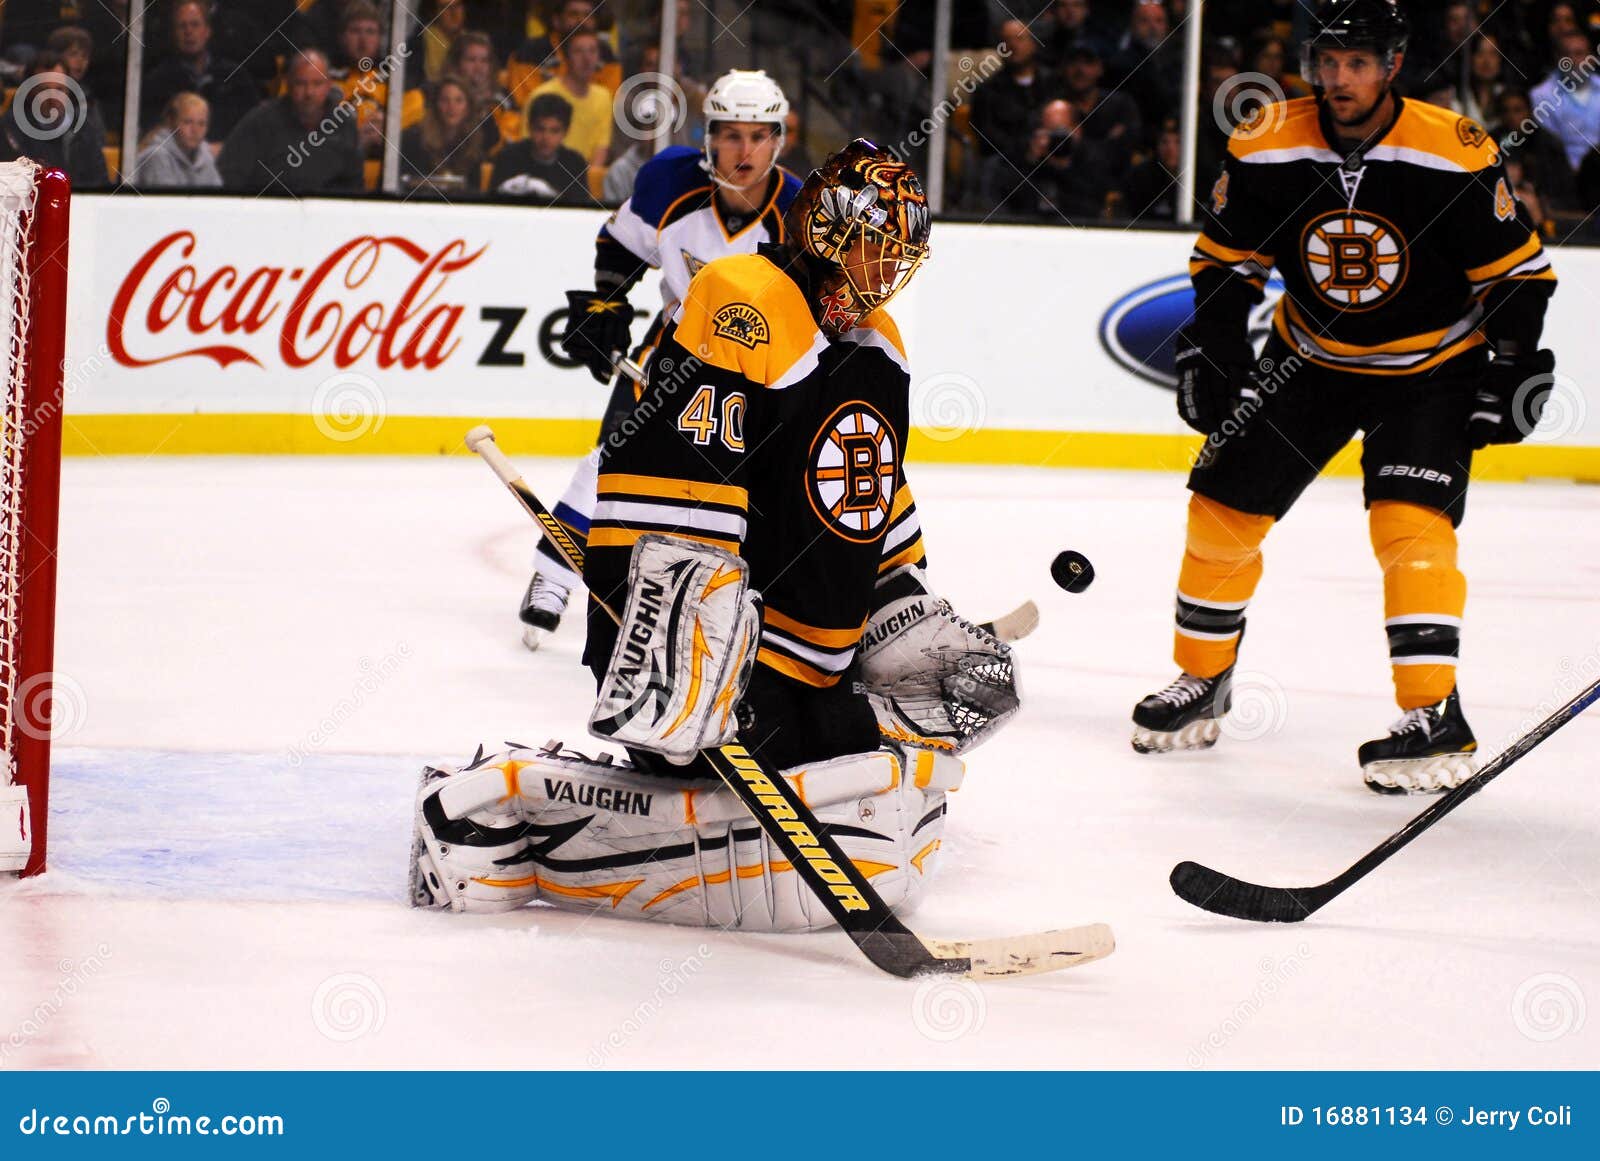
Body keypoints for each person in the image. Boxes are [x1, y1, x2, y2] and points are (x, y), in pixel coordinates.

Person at [410, 140, 1018, 934]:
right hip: (695, 648)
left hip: (809, 669)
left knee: (857, 745)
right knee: (755, 760)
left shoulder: (880, 346)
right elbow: (677, 482)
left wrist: (907, 609)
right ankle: (522, 806)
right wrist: (686, 651)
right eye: (870, 251)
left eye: (896, 257)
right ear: (822, 232)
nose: (880, 275)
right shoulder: (747, 301)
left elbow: (872, 494)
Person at [1131, 0, 1558, 795]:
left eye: (1356, 62)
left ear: (1393, 63)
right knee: (1221, 510)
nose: (1337, 79)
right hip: (1309, 361)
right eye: (1326, 61)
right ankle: (1203, 678)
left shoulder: (1453, 148)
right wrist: (1216, 344)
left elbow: (1517, 277)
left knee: (1408, 527)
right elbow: (1226, 259)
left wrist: (1510, 363)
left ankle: (1434, 712)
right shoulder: (1266, 139)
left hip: (1433, 369)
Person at [517, 70, 802, 647]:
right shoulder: (667, 184)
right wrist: (605, 305)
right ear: (708, 137)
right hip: (670, 353)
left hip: (755, 372)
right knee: (612, 461)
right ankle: (552, 573)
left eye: (758, 136)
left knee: (756, 492)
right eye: (730, 134)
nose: (744, 151)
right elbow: (620, 247)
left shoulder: (797, 212)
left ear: (778, 140)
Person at [217, 49, 364, 194]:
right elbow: (230, 176)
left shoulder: (344, 124)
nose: (309, 93)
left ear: (329, 85)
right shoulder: (260, 121)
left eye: (317, 83)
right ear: (288, 84)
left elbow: (354, 184)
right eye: (301, 84)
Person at [140, 0, 261, 143]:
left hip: (227, 159)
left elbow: (253, 131)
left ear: (207, 31)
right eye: (182, 26)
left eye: (195, 25)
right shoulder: (157, 81)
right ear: (173, 33)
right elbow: (151, 133)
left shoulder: (236, 78)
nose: (188, 32)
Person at [0, 53, 111, 189]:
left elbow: (101, 184)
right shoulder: (9, 130)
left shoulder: (85, 129)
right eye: (44, 90)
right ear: (29, 93)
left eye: (60, 89)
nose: (53, 98)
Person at [528, 28, 613, 166]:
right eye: (578, 51)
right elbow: (529, 147)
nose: (587, 59)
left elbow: (601, 148)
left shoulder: (604, 96)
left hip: (584, 180)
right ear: (565, 57)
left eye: (592, 51)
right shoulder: (541, 95)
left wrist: (585, 182)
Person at [487, 92, 591, 201]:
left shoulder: (575, 164)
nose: (546, 137)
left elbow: (580, 211)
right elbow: (493, 205)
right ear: (529, 128)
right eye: (540, 129)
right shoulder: (508, 158)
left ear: (566, 132)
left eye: (554, 131)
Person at [401, 75, 494, 194]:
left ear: (468, 107)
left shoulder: (474, 141)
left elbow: (474, 190)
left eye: (459, 100)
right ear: (435, 105)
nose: (451, 107)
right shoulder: (414, 139)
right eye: (445, 100)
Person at [130, 91, 222, 188]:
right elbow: (166, 201)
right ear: (171, 122)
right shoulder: (156, 156)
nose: (195, 130)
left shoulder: (205, 155)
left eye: (201, 124)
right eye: (187, 122)